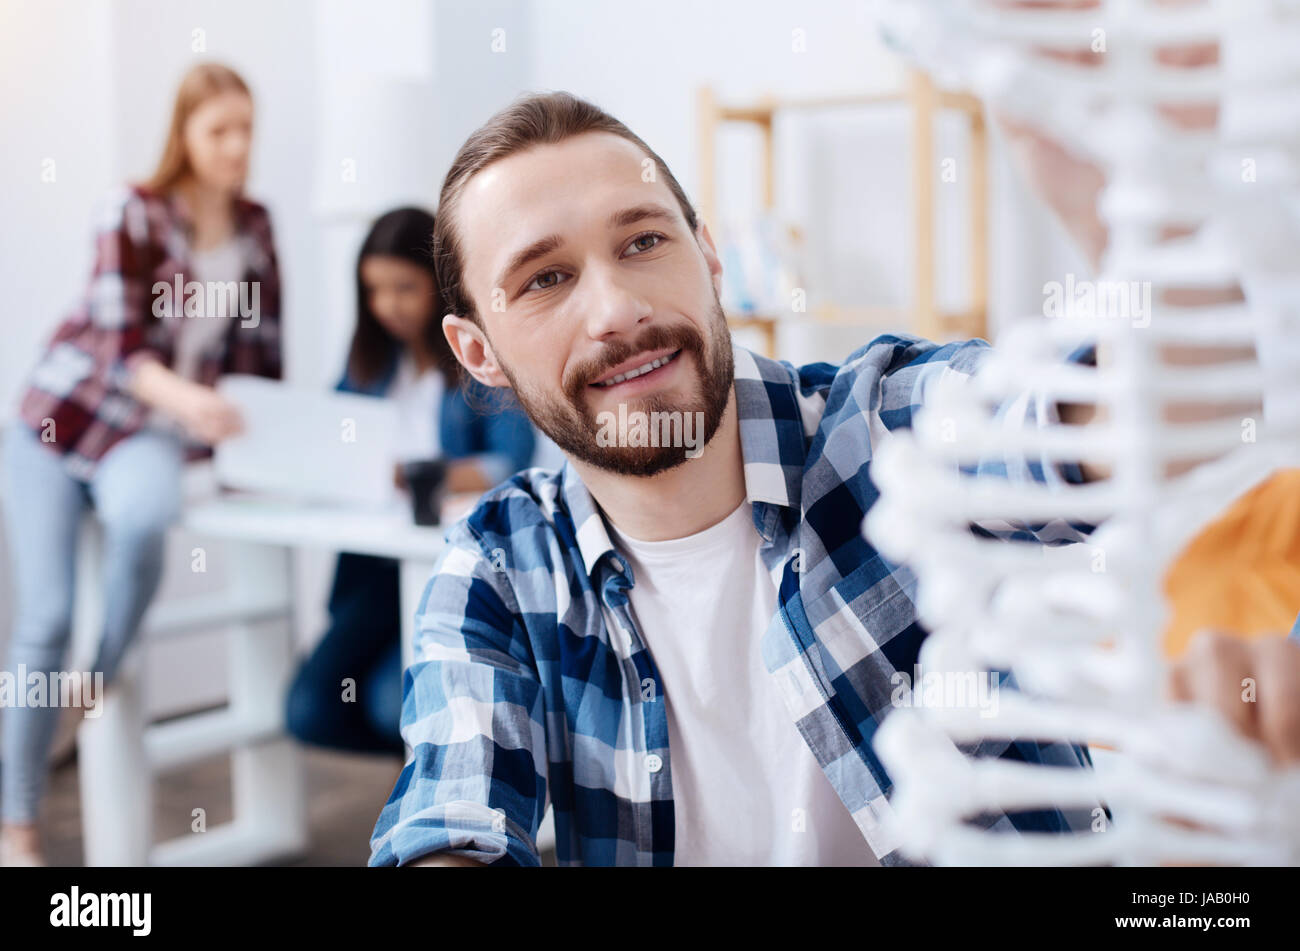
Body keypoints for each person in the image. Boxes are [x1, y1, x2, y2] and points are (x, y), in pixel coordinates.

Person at [367, 91, 1104, 868]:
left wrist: (1150, 249)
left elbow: (1097, 424)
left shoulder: (887, 429)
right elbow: (449, 817)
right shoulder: (501, 565)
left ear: (709, 258)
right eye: (546, 279)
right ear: (478, 351)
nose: (617, 309)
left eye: (644, 240)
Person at [0, 62, 282, 867]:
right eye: (219, 130)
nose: (236, 146)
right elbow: (120, 348)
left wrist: (260, 448)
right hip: (62, 420)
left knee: (148, 516)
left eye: (246, 129)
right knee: (46, 617)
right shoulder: (132, 210)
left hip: (145, 437)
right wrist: (192, 403)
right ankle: (18, 825)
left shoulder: (256, 228)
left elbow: (262, 356)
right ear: (184, 135)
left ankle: (100, 673)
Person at [284, 207, 535, 758]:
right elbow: (327, 436)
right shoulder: (370, 363)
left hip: (448, 564)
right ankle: (437, 764)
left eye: (404, 287)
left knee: (385, 704)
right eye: (374, 290)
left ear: (441, 284)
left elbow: (508, 463)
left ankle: (450, 773)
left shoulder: (478, 356)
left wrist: (411, 474)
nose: (388, 305)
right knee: (309, 711)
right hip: (372, 569)